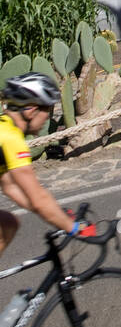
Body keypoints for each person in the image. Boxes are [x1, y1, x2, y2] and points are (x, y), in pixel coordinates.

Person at [0, 73, 91, 257]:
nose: (47, 118)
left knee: (9, 223)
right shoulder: (10, 139)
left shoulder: (5, 128)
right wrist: (74, 228)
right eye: (48, 111)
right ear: (31, 110)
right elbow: (38, 198)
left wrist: (57, 216)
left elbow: (11, 188)